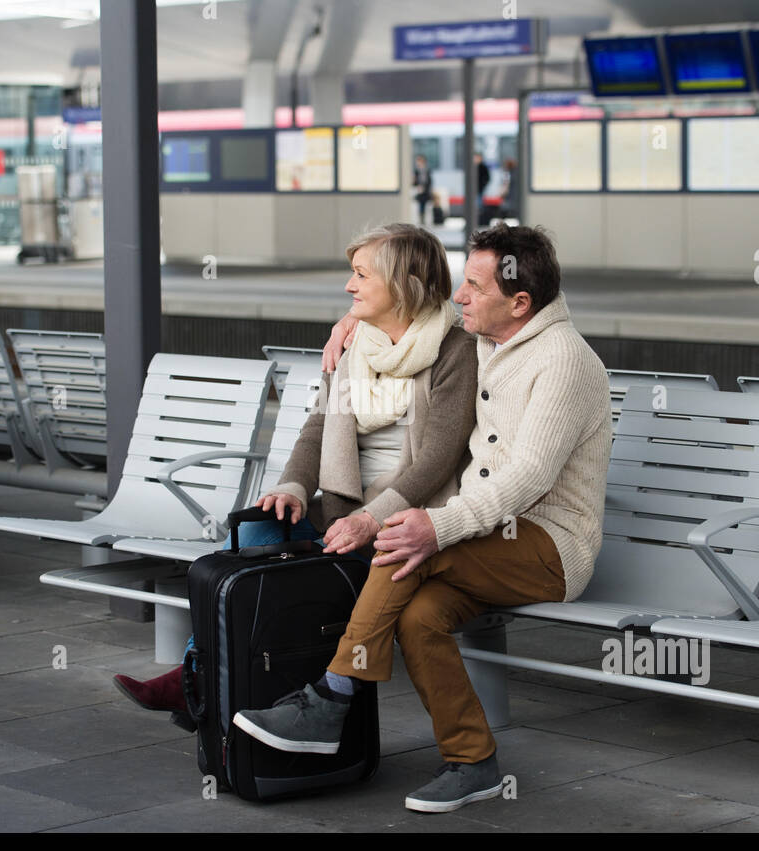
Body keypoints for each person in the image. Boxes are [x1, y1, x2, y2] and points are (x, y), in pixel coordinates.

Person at [234, 225, 612, 814]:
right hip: (488, 537)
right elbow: (412, 316)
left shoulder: (562, 360)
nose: (459, 296)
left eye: (473, 286)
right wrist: (348, 325)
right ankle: (473, 763)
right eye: (462, 280)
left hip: (550, 546)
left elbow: (529, 477)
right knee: (418, 618)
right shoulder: (492, 338)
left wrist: (439, 526)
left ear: (519, 302)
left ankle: (332, 698)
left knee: (405, 541)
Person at [113, 222, 479, 726]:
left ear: (404, 285)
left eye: (360, 275)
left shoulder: (455, 351)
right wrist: (290, 487)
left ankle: (214, 687)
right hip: (343, 505)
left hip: (408, 516)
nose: (349, 287)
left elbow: (438, 458)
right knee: (257, 529)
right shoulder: (355, 346)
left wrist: (371, 520)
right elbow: (318, 427)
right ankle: (200, 674)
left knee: (293, 577)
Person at [412, 155, 432, 226]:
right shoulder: (416, 171)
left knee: (425, 206)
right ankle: (421, 221)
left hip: (426, 192)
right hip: (419, 192)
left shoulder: (427, 170)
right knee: (420, 206)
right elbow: (414, 183)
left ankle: (424, 221)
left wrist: (425, 188)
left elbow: (429, 182)